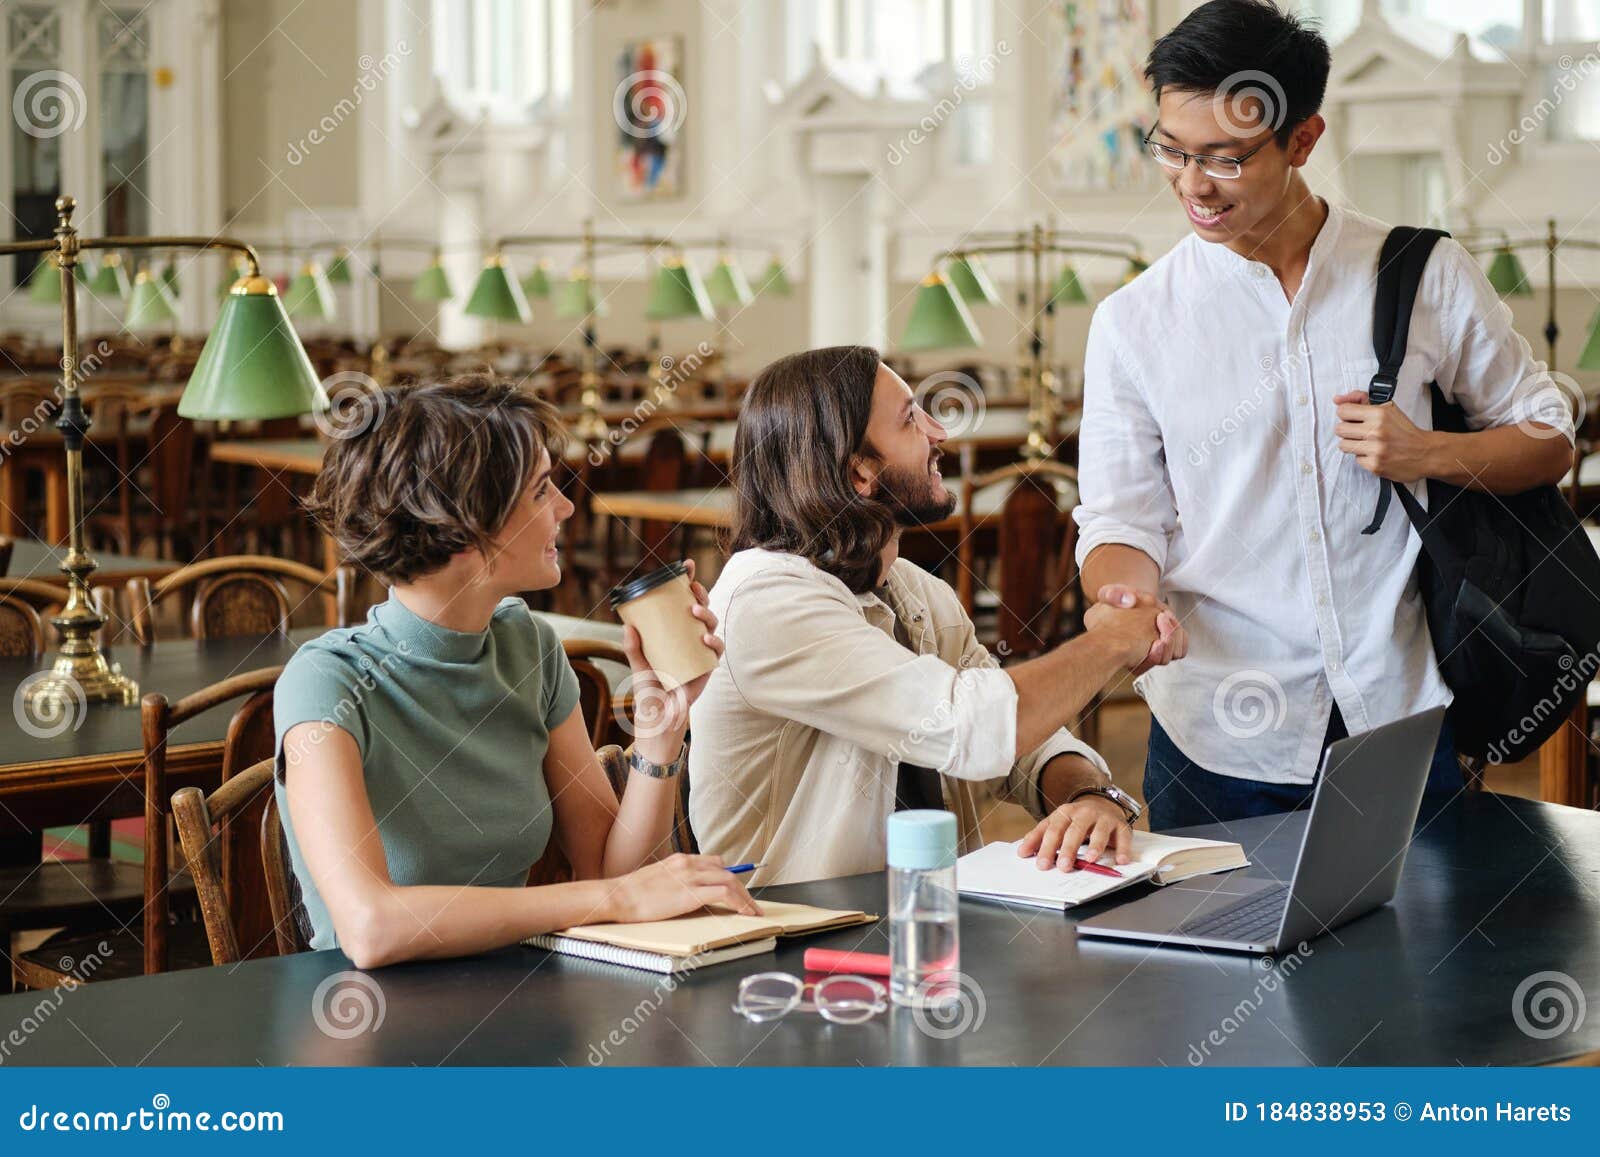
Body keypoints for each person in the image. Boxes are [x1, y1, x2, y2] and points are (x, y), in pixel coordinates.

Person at [1074, 0, 1573, 831]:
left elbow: (1549, 438)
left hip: (1399, 719)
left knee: (1429, 962)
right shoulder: (1133, 322)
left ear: (1302, 141)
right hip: (1214, 738)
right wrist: (1126, 602)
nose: (1193, 184)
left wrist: (1430, 452)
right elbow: (1122, 517)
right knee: (1211, 964)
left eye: (1224, 159)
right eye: (1170, 150)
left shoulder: (1419, 274)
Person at [274, 375, 758, 969]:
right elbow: (371, 928)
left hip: (514, 995)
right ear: (463, 526)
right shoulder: (324, 681)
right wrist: (608, 899)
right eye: (540, 491)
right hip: (369, 1022)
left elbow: (612, 870)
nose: (566, 506)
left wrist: (663, 728)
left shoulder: (527, 645)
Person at [688, 346, 1173, 886]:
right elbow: (969, 723)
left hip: (924, 922)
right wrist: (1111, 641)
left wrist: (1089, 795)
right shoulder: (766, 603)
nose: (938, 432)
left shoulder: (914, 590)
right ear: (860, 472)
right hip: (792, 941)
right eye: (910, 419)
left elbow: (1024, 745)